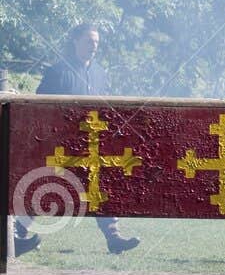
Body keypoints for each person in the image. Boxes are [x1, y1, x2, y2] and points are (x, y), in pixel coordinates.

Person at [13, 24, 140, 255]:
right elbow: (39, 107)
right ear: (75, 41)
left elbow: (106, 109)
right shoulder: (57, 72)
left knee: (100, 188)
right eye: (89, 41)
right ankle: (17, 237)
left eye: (96, 42)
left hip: (91, 145)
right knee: (44, 188)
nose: (94, 46)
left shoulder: (101, 73)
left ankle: (114, 236)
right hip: (58, 146)